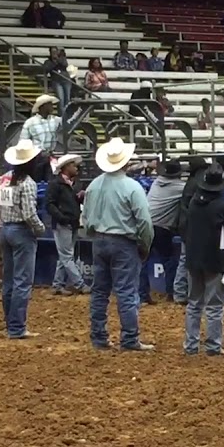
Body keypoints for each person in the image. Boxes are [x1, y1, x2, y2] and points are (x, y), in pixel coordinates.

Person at [81, 138, 154, 351]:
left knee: (99, 291)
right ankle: (130, 339)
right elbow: (144, 222)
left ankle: (99, 337)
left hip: (99, 240)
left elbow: (86, 217)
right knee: (127, 292)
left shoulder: (94, 185)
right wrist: (144, 245)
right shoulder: (132, 187)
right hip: (123, 242)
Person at [180, 163, 224, 357]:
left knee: (194, 303)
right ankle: (213, 346)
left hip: (193, 258)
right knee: (214, 305)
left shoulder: (193, 203)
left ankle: (191, 346)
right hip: (214, 259)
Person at [0, 139, 46, 339]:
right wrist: (40, 228)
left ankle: (11, 323)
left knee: (9, 279)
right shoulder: (27, 183)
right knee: (22, 281)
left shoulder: (4, 179)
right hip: (21, 232)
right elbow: (29, 214)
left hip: (5, 228)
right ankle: (17, 327)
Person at [46, 154, 88, 296]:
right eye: (73, 165)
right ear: (65, 168)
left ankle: (57, 285)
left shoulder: (73, 184)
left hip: (71, 222)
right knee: (67, 256)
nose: (76, 168)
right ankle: (80, 284)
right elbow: (49, 204)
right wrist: (61, 218)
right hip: (64, 223)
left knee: (64, 256)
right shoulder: (56, 184)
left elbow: (50, 204)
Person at [145, 160, 186, 304]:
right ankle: (171, 292)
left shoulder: (157, 182)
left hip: (145, 224)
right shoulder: (180, 187)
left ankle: (143, 294)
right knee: (169, 259)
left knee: (143, 260)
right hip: (161, 227)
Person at [173, 157, 208, 305]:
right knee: (187, 259)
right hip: (191, 226)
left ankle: (180, 292)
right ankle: (183, 293)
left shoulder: (190, 183)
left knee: (184, 258)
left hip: (185, 224)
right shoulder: (197, 184)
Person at [42, 47, 73, 113]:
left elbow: (65, 64)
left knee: (67, 99)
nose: (54, 53)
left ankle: (67, 115)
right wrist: (54, 62)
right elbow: (47, 69)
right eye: (53, 52)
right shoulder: (47, 61)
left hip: (66, 80)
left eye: (55, 51)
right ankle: (61, 115)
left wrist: (57, 59)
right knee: (60, 99)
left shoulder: (62, 59)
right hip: (57, 81)